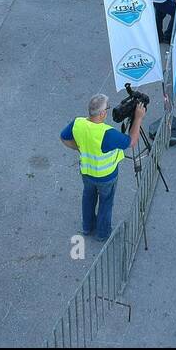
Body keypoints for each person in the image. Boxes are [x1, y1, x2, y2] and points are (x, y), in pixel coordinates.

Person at [60, 93, 143, 240]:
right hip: (107, 176)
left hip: (87, 173)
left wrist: (79, 148)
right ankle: (102, 234)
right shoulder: (107, 133)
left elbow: (63, 138)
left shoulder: (77, 123)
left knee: (88, 197)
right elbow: (131, 141)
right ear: (103, 113)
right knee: (106, 203)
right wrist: (138, 118)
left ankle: (87, 227)